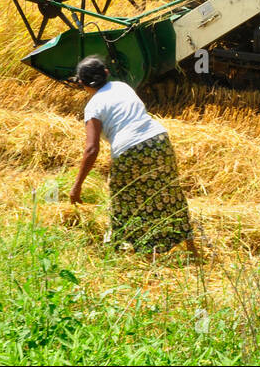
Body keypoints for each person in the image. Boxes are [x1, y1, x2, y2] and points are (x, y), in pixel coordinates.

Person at [69, 56, 199, 256]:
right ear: (106, 73)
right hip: (159, 141)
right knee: (169, 193)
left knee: (125, 202)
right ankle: (192, 250)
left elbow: (91, 149)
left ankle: (134, 253)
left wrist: (77, 186)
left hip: (130, 151)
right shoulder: (122, 87)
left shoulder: (93, 107)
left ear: (82, 83)